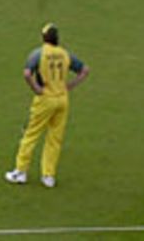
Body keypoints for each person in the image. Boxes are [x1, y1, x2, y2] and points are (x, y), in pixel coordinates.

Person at [5, 24, 90, 189]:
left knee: (31, 134)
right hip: (62, 100)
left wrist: (36, 89)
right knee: (55, 138)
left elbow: (27, 74)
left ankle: (20, 171)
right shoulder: (65, 54)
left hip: (45, 99)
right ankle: (48, 176)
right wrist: (70, 86)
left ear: (44, 37)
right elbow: (84, 70)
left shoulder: (38, 54)